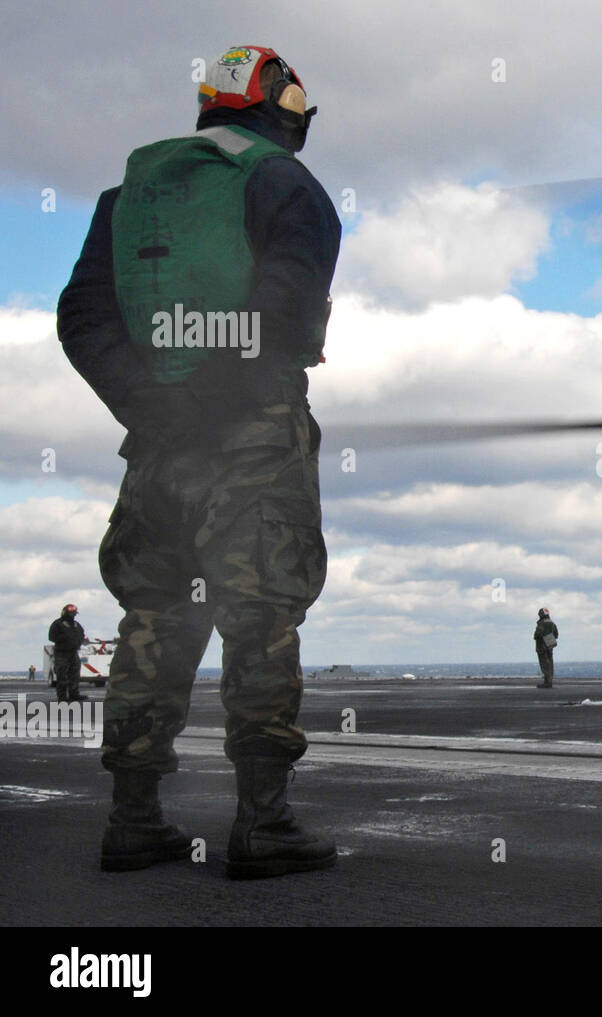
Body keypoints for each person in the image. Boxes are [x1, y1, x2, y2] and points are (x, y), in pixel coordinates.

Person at [57, 45, 340, 877]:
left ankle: (134, 821)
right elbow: (283, 308)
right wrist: (219, 395)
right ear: (282, 105)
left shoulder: (127, 196)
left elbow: (80, 317)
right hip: (252, 443)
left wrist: (153, 404)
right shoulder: (286, 185)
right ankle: (263, 823)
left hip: (156, 453)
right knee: (260, 621)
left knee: (153, 623)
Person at [48, 604, 87, 703]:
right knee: (62, 675)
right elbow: (51, 637)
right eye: (71, 613)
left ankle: (74, 694)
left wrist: (78, 641)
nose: (72, 615)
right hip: (61, 653)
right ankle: (62, 697)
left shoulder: (76, 625)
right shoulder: (57, 624)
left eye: (74, 613)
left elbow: (82, 634)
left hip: (73, 652)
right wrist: (64, 639)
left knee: (75, 674)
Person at [534, 609, 559, 688]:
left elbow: (537, 635)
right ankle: (549, 680)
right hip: (549, 646)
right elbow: (556, 635)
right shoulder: (552, 623)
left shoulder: (541, 623)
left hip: (541, 646)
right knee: (550, 663)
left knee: (544, 664)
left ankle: (547, 682)